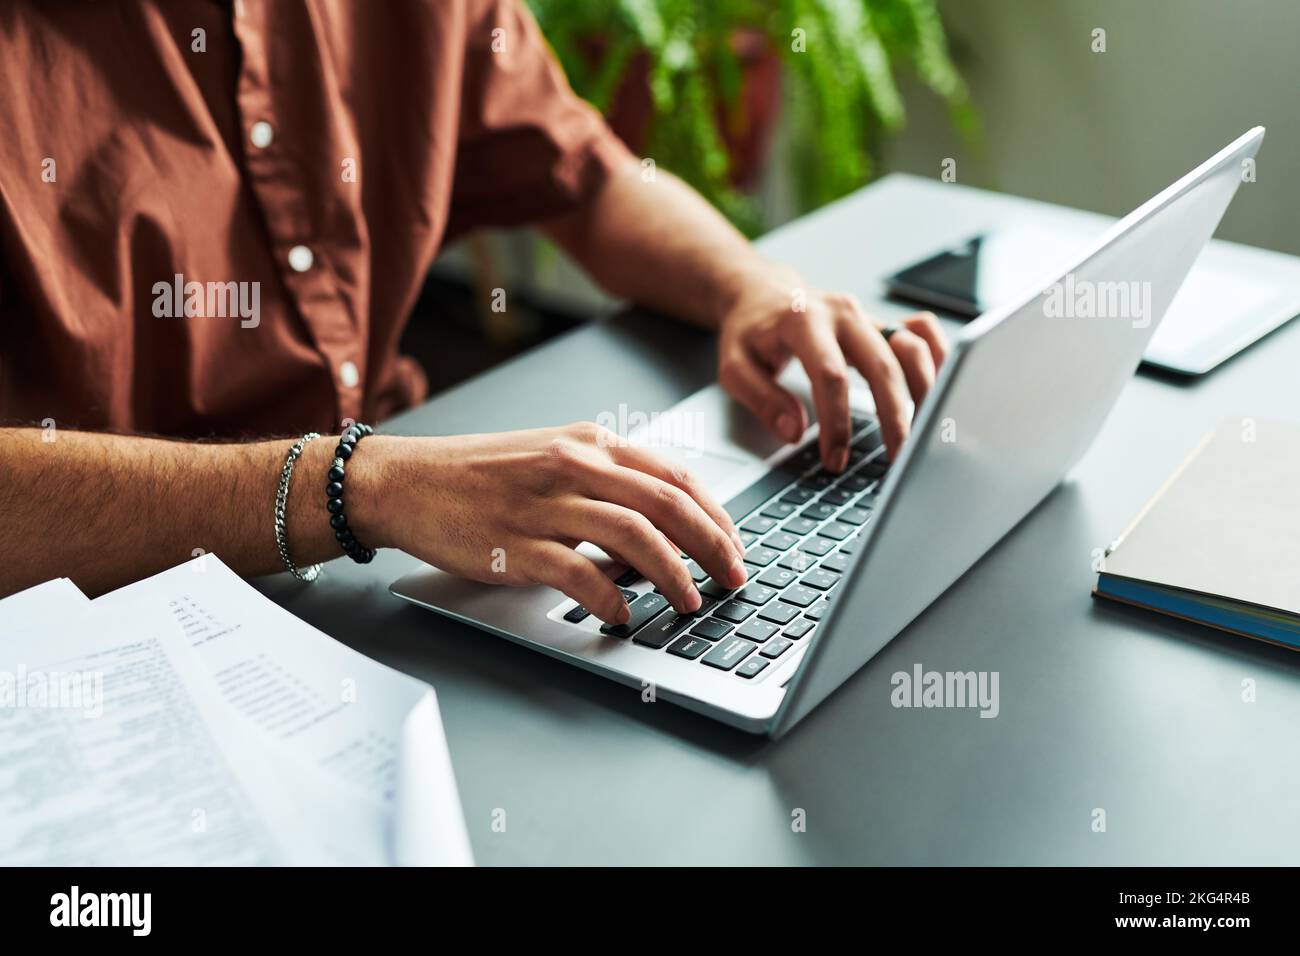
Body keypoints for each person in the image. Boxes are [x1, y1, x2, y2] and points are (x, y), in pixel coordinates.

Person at [0, 0, 946, 622]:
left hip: (371, 574)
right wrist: (356, 485)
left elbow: (581, 174)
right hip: (100, 620)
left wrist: (749, 286)